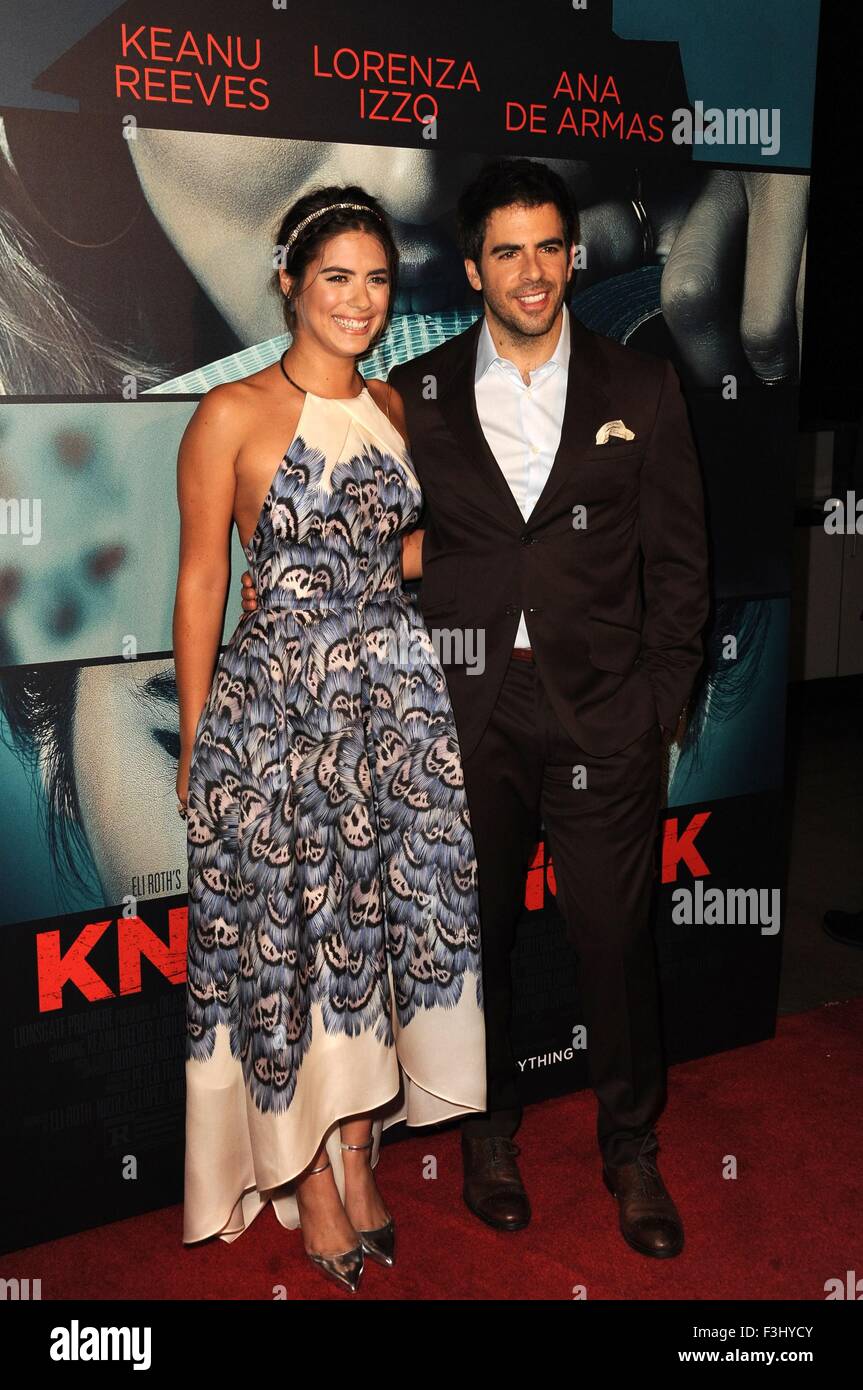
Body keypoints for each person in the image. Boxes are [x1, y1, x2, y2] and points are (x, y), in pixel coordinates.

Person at [242, 158, 710, 1259]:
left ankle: (629, 1149)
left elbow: (681, 563)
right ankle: (485, 1137)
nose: (533, 270)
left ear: (571, 256)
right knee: (472, 943)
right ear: (472, 268)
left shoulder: (637, 386)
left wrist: (656, 705)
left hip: (604, 716)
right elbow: (378, 525)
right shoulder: (424, 394)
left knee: (614, 939)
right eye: (507, 251)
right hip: (464, 715)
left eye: (549, 246)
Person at [173, 185, 486, 1292]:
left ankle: (359, 1151)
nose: (359, 300)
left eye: (377, 279)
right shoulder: (229, 414)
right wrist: (201, 741)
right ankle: (306, 1172)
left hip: (392, 705)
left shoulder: (397, 408)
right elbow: (207, 577)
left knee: (383, 934)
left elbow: (394, 556)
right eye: (335, 278)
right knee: (297, 941)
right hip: (279, 716)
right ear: (291, 285)